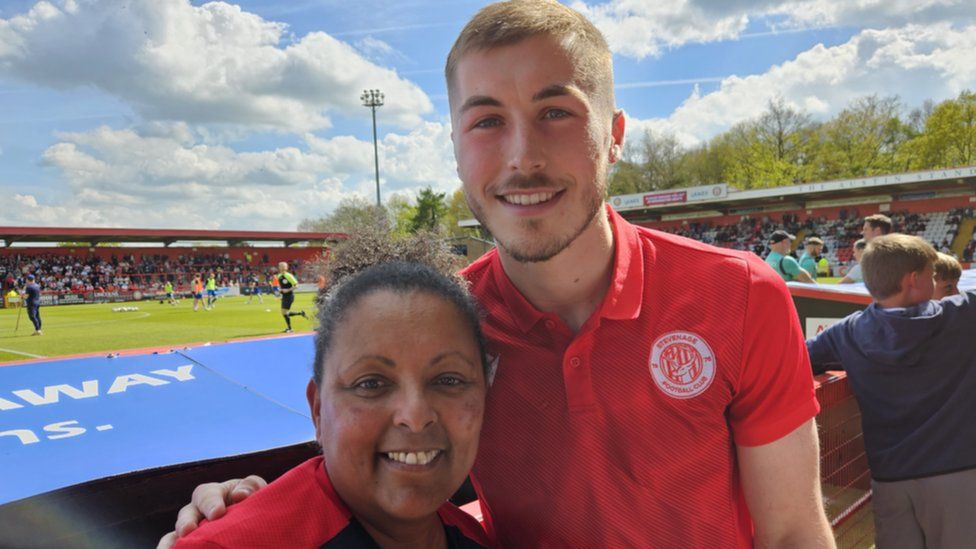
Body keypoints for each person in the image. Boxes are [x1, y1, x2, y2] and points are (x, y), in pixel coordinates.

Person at [162, 2, 832, 547]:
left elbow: (794, 531)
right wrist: (242, 508)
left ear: (616, 132)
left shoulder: (738, 294)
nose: (522, 157)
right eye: (487, 120)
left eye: (556, 112)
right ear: (455, 146)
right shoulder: (448, 325)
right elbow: (376, 462)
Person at [171, 262, 489, 548]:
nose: (415, 416)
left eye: (449, 380)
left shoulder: (471, 536)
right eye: (371, 384)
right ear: (319, 411)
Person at [807, 234, 976, 548]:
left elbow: (798, 357)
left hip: (890, 480)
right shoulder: (965, 315)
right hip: (960, 476)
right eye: (931, 274)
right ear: (914, 280)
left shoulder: (847, 332)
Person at [277, 261, 306, 333]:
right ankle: (300, 313)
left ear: (286, 267)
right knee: (284, 312)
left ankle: (290, 329)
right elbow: (282, 286)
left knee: (284, 312)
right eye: (280, 266)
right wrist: (281, 292)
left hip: (289, 296)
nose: (282, 267)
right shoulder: (279, 276)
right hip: (284, 296)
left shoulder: (288, 276)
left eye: (283, 266)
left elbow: (296, 285)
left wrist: (288, 290)